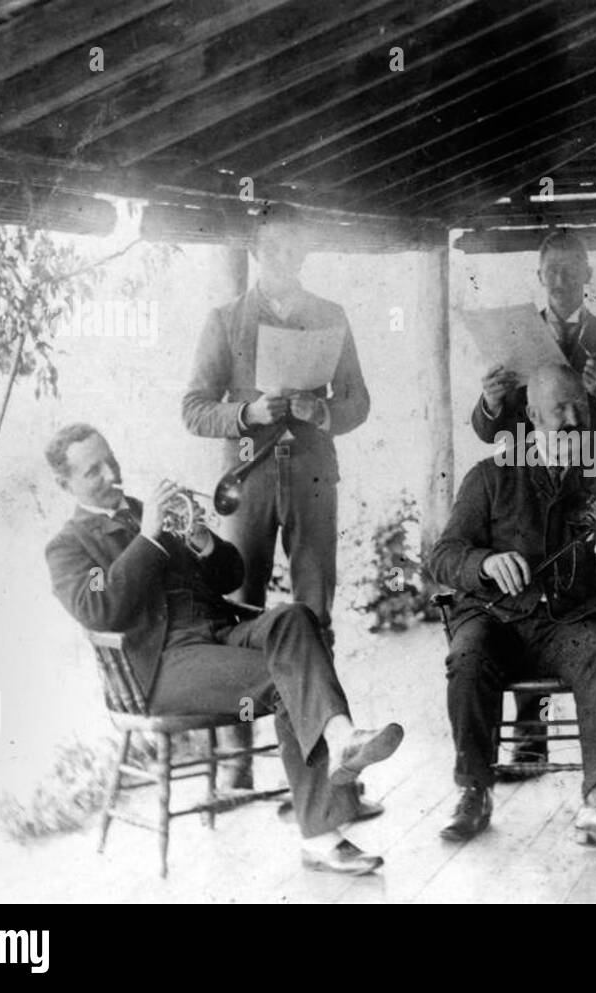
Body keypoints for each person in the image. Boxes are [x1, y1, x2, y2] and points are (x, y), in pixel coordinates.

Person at [43, 424, 402, 874]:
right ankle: (321, 833)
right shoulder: (68, 546)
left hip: (218, 631)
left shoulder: (145, 511)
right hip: (164, 666)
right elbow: (101, 609)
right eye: (93, 470)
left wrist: (201, 538)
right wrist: (150, 536)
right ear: (65, 484)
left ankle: (341, 737)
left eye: (110, 459)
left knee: (295, 617)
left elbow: (230, 577)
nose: (110, 472)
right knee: (288, 679)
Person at [182, 201, 370, 787]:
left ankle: (327, 763)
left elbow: (358, 402)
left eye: (297, 247)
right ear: (255, 251)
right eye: (275, 248)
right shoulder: (224, 319)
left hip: (313, 473)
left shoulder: (330, 315)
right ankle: (239, 761)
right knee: (239, 602)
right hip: (247, 478)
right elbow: (193, 408)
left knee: (315, 614)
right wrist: (247, 411)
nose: (287, 258)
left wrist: (324, 410)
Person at [429, 365, 596, 847]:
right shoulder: (490, 476)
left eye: (581, 408)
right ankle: (473, 789)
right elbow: (444, 556)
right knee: (467, 657)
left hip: (564, 624)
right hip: (496, 620)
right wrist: (485, 563)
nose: (573, 420)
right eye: (560, 410)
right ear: (531, 416)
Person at [472, 228, 596, 769]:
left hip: (595, 476)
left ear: (588, 276)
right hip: (528, 478)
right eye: (551, 269)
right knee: (527, 585)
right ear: (538, 275)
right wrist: (489, 401)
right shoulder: (513, 338)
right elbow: (488, 432)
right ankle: (530, 734)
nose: (561, 280)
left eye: (572, 270)